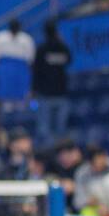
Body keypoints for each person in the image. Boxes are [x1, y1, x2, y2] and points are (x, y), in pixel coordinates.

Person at [31, 18, 71, 146]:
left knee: (49, 130)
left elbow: (35, 71)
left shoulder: (43, 49)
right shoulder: (59, 48)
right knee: (53, 130)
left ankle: (55, 151)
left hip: (51, 94)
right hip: (53, 94)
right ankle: (51, 152)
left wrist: (33, 90)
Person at [0, 18, 35, 107]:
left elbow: (30, 61)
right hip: (4, 72)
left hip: (20, 72)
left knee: (20, 102)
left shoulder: (26, 39)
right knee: (5, 101)